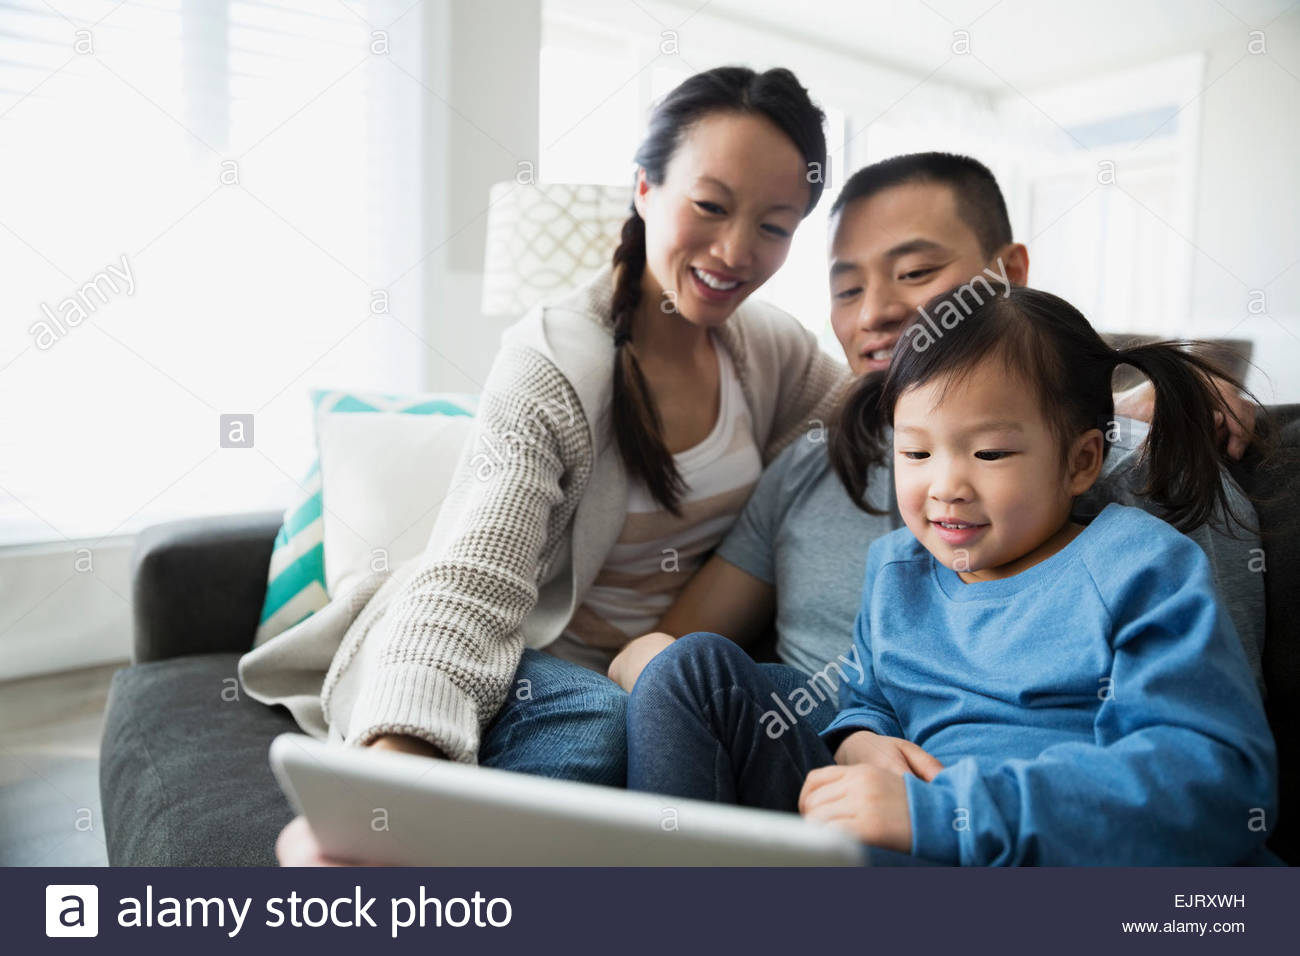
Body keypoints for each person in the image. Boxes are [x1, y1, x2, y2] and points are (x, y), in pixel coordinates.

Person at [247, 65, 850, 860]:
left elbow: (877, 426)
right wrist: (391, 777)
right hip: (532, 661)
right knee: (593, 722)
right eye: (709, 206)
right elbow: (474, 580)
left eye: (774, 227)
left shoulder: (769, 352)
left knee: (646, 718)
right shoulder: (553, 361)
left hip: (664, 677)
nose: (735, 250)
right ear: (644, 187)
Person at [626, 283, 1279, 865]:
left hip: (1056, 857)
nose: (946, 487)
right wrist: (860, 739)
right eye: (915, 451)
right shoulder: (899, 571)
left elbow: (1212, 783)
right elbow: (871, 696)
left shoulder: (1140, 567)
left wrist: (943, 814)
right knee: (692, 671)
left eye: (990, 452)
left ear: (1082, 461)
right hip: (899, 836)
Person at [607, 152, 1265, 697]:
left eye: (916, 273)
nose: (875, 314)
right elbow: (673, 652)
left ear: (1009, 274)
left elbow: (1208, 748)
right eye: (846, 290)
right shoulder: (814, 459)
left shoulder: (1148, 469)